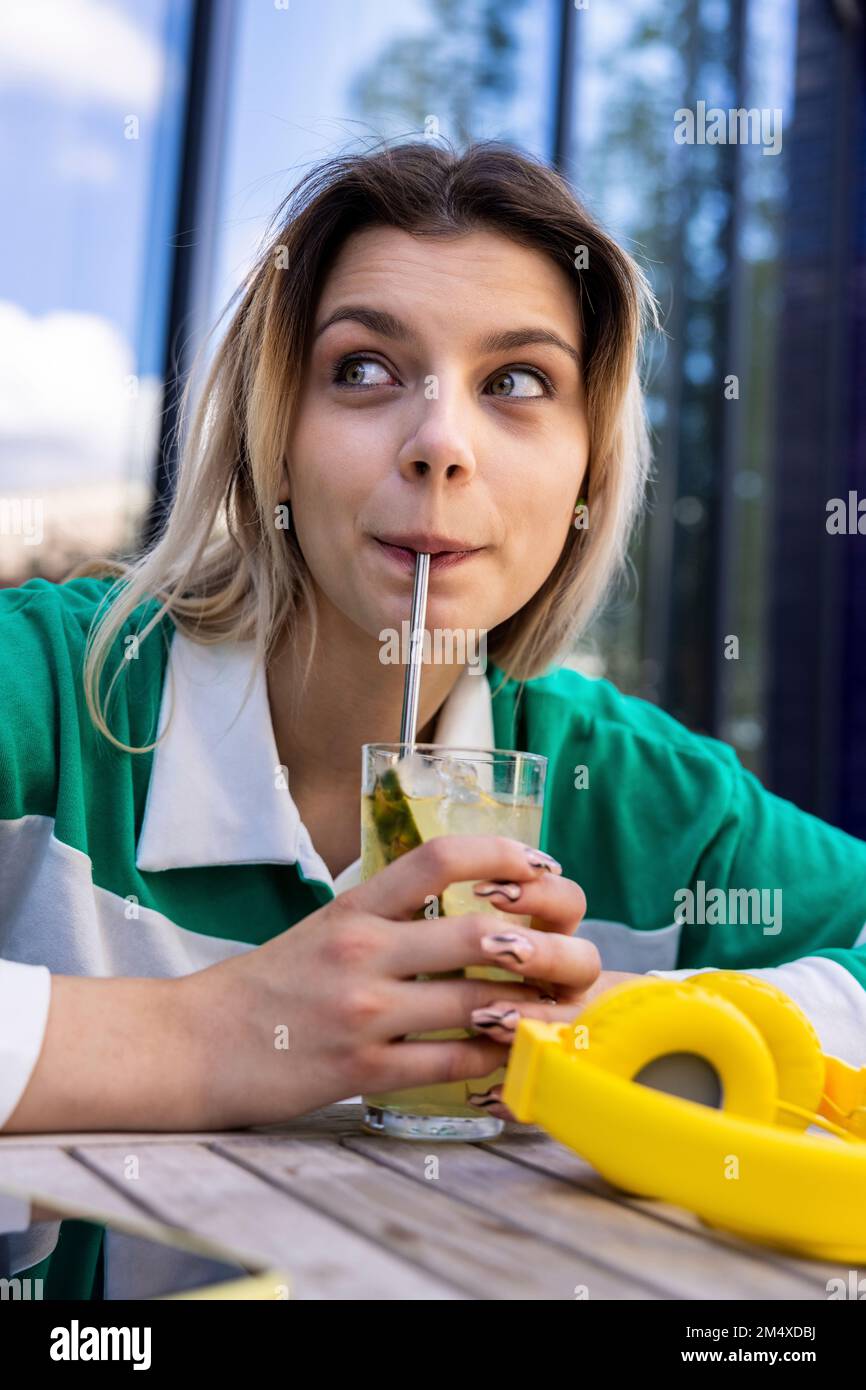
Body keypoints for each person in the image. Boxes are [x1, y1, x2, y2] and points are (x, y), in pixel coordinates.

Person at [2, 140, 865, 1298]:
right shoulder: (53, 691)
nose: (438, 444)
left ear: (586, 478)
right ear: (274, 434)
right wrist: (215, 1034)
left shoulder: (635, 791)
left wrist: (645, 1017)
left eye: (515, 383)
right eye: (361, 368)